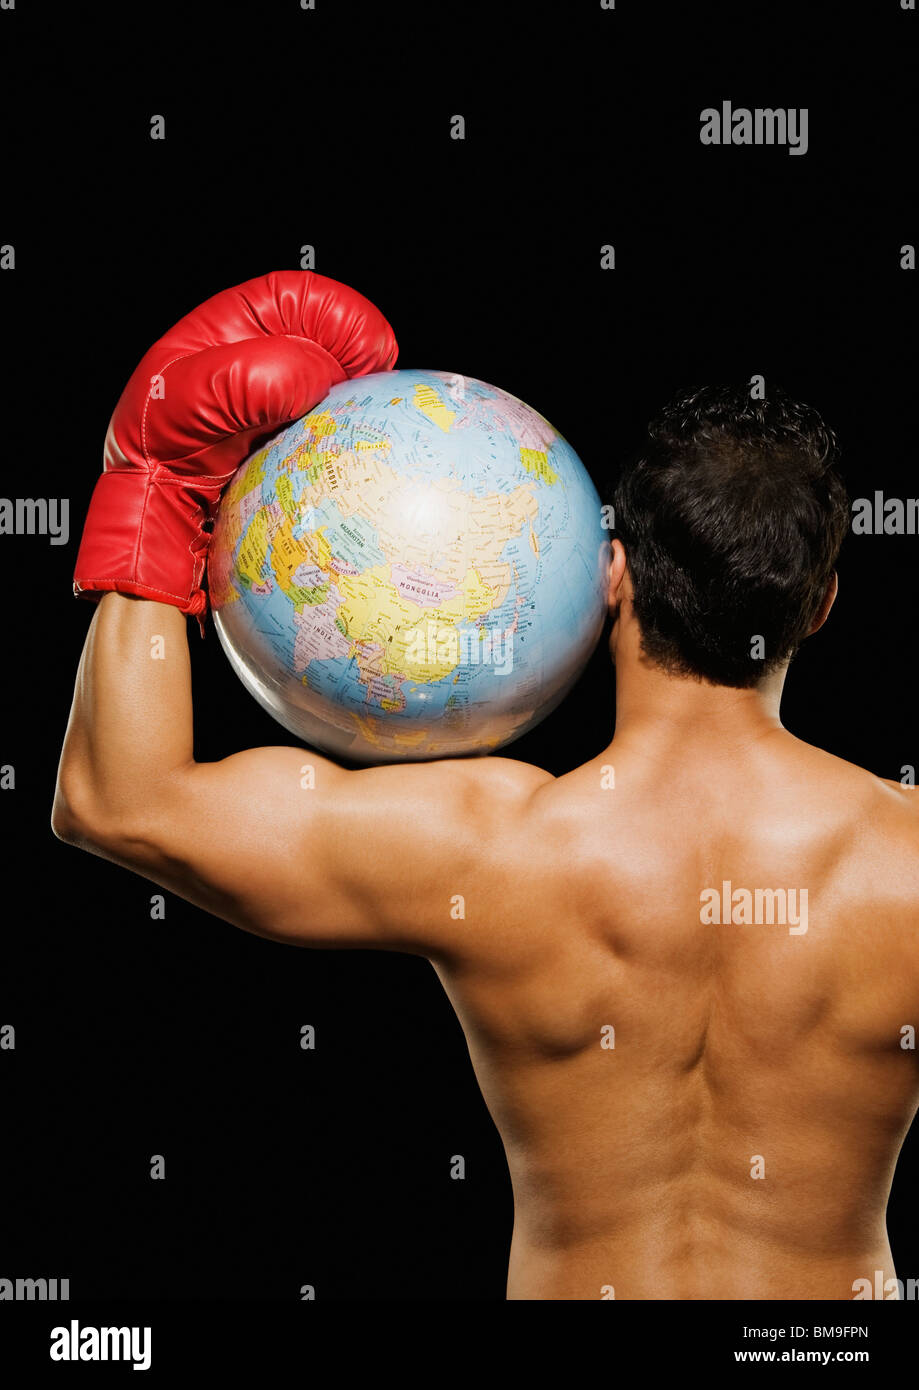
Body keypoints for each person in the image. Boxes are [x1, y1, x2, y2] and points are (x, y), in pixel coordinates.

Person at [52, 270, 919, 1301]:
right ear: (819, 604)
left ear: (611, 571)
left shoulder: (491, 848)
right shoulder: (907, 865)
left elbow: (118, 799)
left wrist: (156, 487)